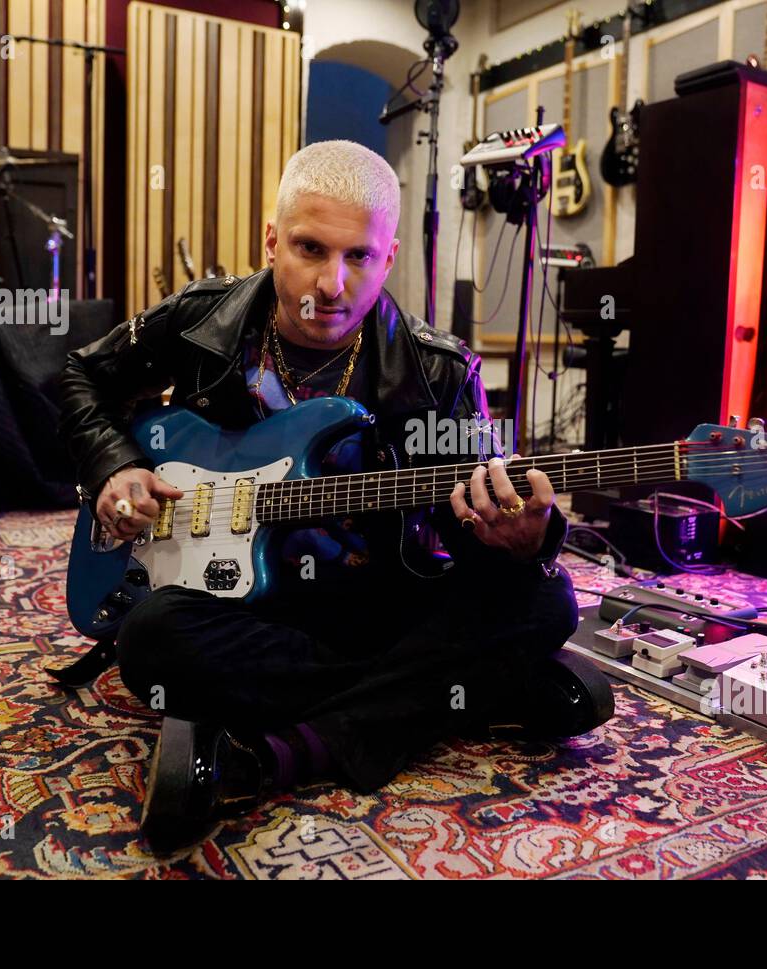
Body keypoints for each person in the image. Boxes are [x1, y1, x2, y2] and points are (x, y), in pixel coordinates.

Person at [58, 140, 613, 856]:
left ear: (390, 259)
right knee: (150, 636)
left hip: (372, 601)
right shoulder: (203, 319)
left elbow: (471, 530)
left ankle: (278, 752)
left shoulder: (437, 370)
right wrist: (115, 466)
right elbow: (81, 375)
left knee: (547, 599)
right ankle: (466, 691)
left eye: (359, 257)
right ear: (270, 240)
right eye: (310, 248)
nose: (332, 283)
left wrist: (521, 541)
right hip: (230, 603)